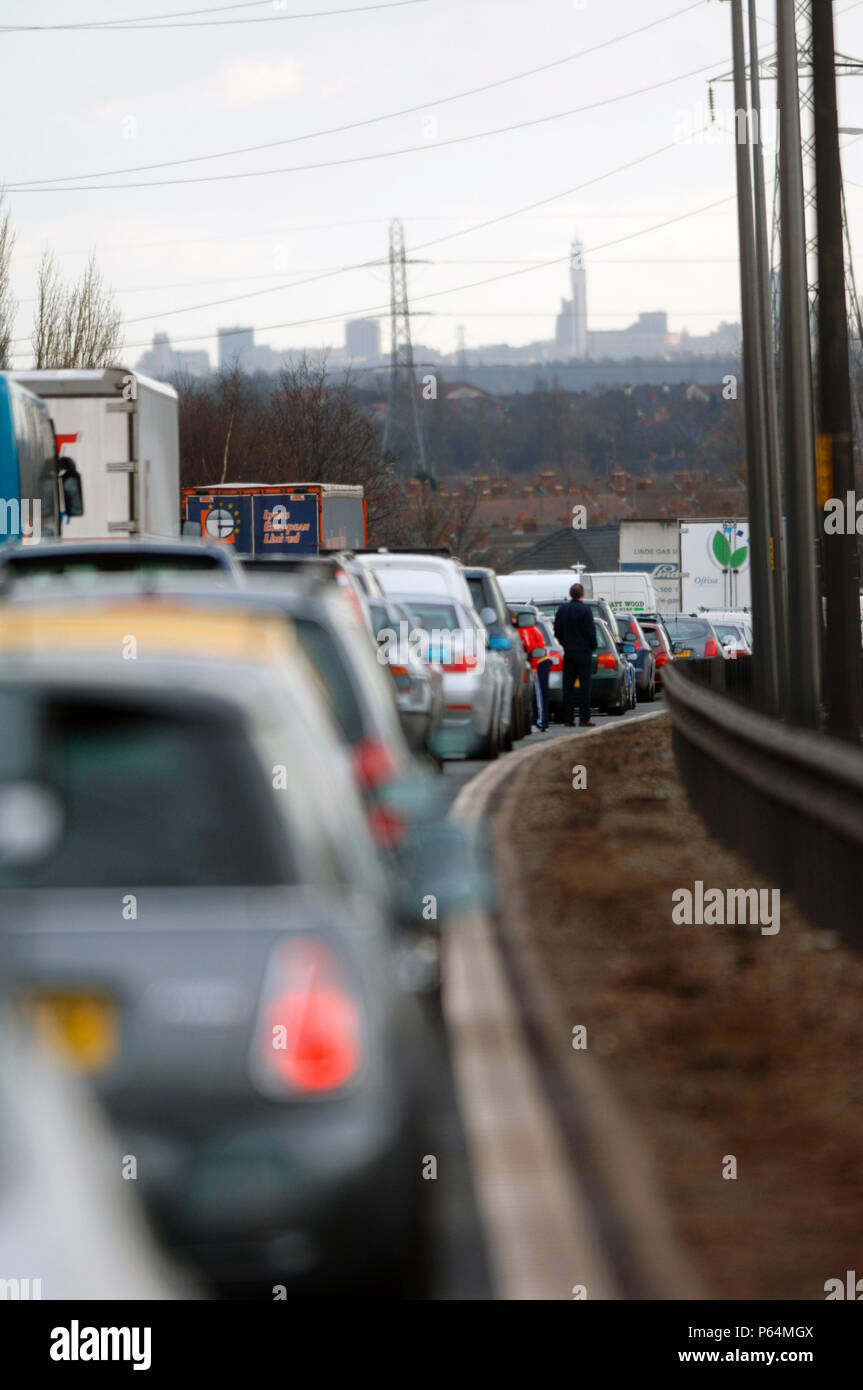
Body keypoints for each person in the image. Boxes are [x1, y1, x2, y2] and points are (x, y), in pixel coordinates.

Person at [553, 583, 597, 727]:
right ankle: (584, 718)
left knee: (568, 687)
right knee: (585, 687)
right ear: (582, 594)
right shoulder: (586, 610)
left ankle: (568, 718)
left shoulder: (562, 610)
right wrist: (593, 646)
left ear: (571, 594)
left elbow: (557, 631)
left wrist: (563, 644)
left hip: (568, 652)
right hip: (583, 652)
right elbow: (590, 631)